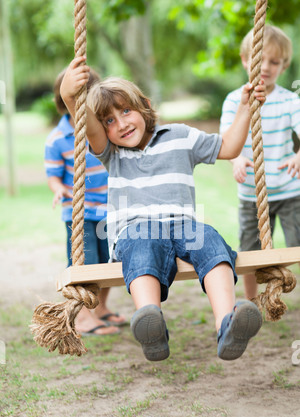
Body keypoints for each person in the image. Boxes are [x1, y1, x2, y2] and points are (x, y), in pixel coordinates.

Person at [60, 56, 266, 362]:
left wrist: (246, 107)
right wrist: (69, 96)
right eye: (109, 121)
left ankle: (227, 323)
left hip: (184, 226)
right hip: (136, 230)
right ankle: (150, 322)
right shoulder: (111, 153)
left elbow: (229, 147)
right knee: (142, 250)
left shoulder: (180, 137)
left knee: (211, 242)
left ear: (143, 104)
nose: (122, 123)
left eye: (126, 110)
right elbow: (87, 124)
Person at [220, 25, 300, 300]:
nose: (265, 67)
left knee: (297, 246)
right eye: (259, 59)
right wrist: (237, 159)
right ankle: (251, 300)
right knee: (251, 251)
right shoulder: (234, 100)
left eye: (274, 61)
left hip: (290, 191)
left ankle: (282, 287)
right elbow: (226, 139)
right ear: (246, 60)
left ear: (284, 65)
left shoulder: (290, 101)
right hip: (252, 193)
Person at [45, 67, 127, 336]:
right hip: (77, 211)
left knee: (109, 263)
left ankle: (101, 309)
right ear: (63, 101)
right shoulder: (57, 139)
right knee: (85, 263)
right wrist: (58, 189)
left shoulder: (103, 129)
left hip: (108, 208)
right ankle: (82, 317)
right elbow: (53, 175)